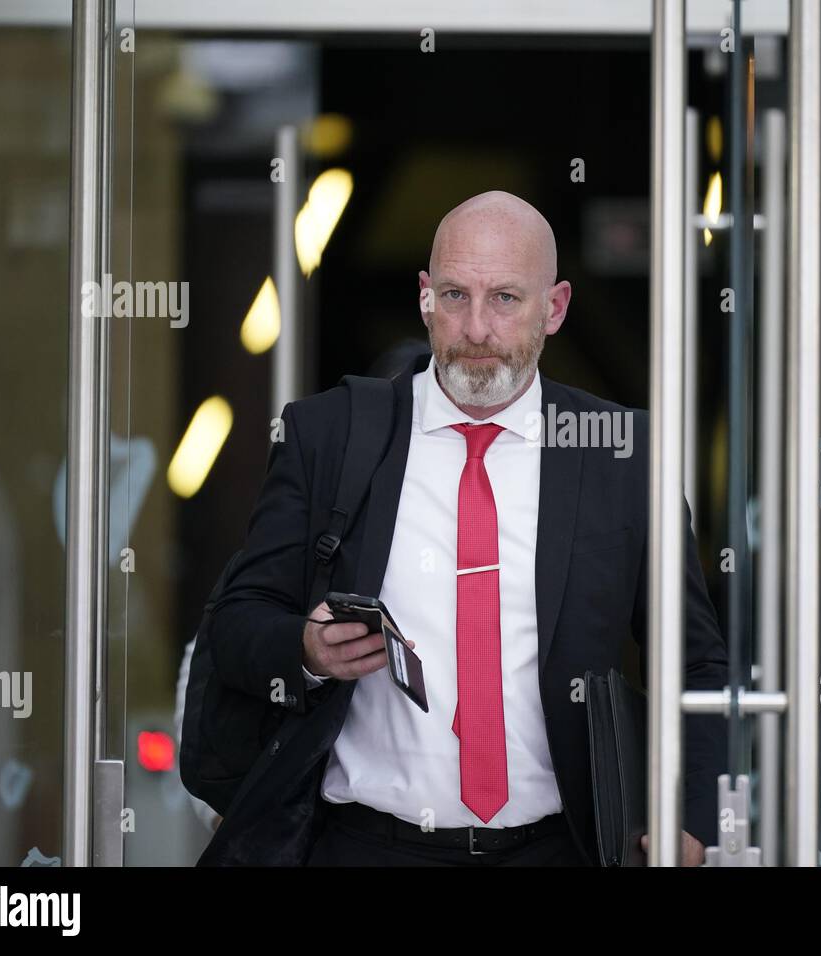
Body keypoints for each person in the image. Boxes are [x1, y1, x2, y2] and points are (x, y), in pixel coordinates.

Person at [199, 191, 727, 866]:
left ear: (555, 307)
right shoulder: (329, 435)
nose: (476, 328)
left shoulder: (621, 454)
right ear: (424, 296)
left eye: (505, 298)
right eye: (454, 295)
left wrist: (694, 821)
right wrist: (305, 649)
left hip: (556, 850)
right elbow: (237, 622)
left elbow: (696, 662)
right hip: (364, 847)